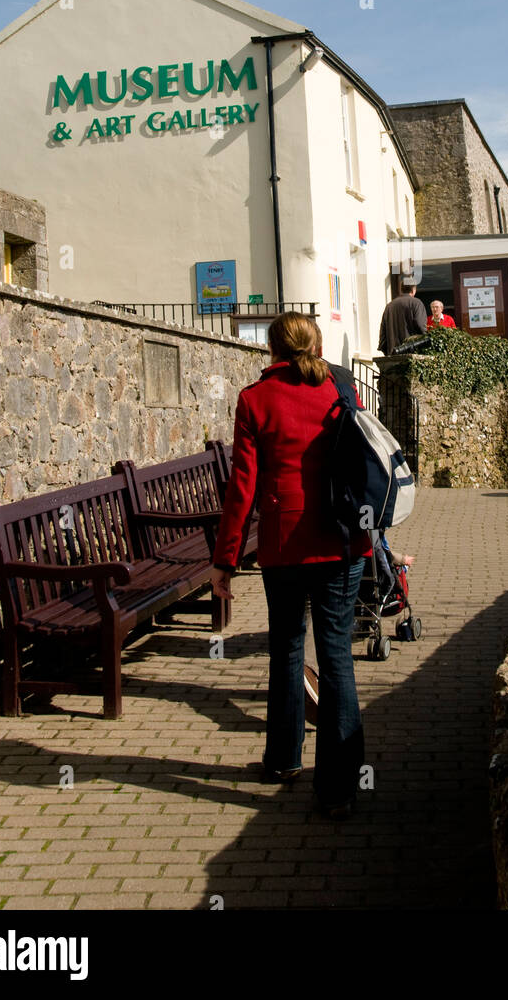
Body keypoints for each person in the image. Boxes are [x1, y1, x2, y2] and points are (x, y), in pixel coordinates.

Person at [211, 312, 371, 818]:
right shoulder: (342, 391)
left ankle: (283, 760)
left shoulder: (255, 400)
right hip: (343, 540)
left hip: (283, 546)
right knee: (337, 656)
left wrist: (226, 560)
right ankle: (340, 788)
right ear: (316, 343)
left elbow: (243, 488)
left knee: (285, 649)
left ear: (272, 348)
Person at [377, 279, 427, 356]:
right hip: (411, 353)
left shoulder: (389, 306)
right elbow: (421, 326)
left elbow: (383, 331)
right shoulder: (416, 303)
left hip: (393, 355)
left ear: (401, 289)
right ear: (413, 290)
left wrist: (386, 351)